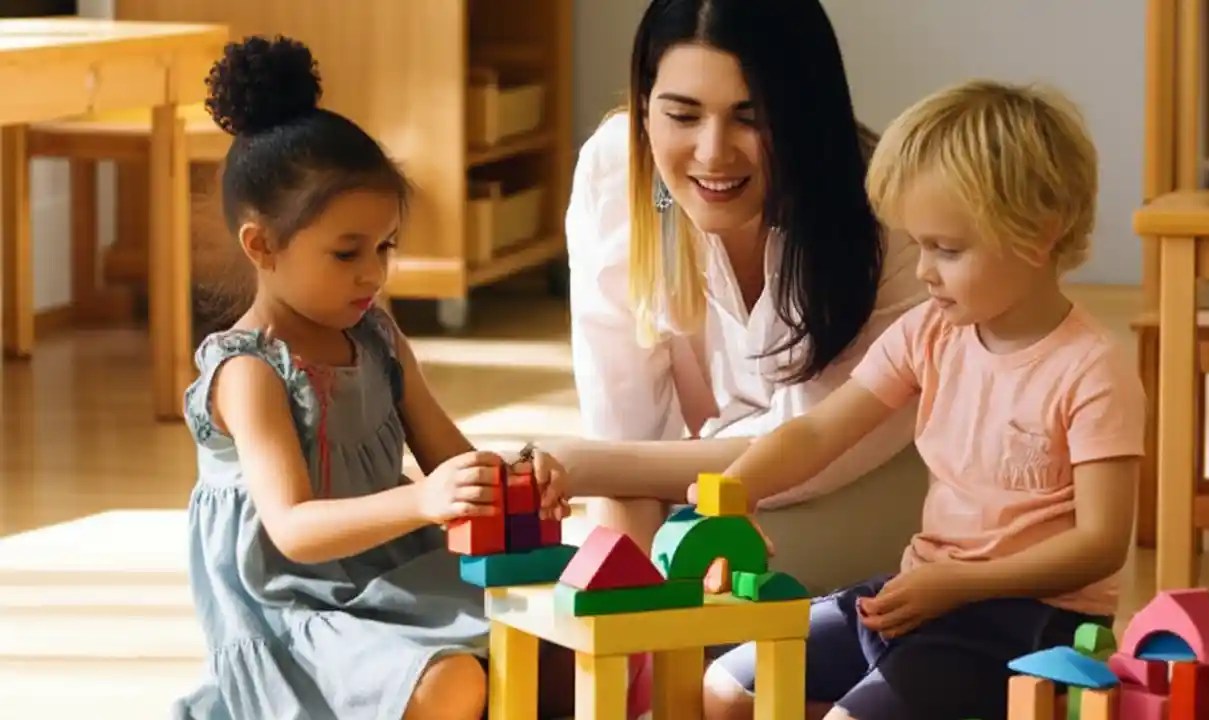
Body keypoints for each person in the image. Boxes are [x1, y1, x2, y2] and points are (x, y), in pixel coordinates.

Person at [700, 79, 1146, 720]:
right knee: (726, 686)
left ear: (1040, 235)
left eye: (947, 249)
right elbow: (821, 432)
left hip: (1025, 624)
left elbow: (1102, 543)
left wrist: (960, 584)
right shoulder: (932, 333)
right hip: (921, 591)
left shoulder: (1092, 370)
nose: (926, 270)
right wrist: (734, 491)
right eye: (919, 244)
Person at [173, 36, 573, 720]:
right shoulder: (248, 369)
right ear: (260, 245)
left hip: (397, 575)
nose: (373, 273)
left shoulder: (378, 337)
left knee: (558, 619)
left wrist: (514, 480)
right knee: (451, 684)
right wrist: (423, 503)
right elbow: (293, 528)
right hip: (299, 612)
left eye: (384, 246)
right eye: (346, 252)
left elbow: (451, 459)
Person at [557, 0, 930, 597]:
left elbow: (813, 446)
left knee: (720, 602)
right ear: (646, 106)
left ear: (806, 112)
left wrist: (584, 467)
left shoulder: (886, 216)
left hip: (866, 483)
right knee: (609, 589)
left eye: (750, 117)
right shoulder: (619, 170)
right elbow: (625, 433)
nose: (712, 153)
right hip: (706, 483)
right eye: (681, 114)